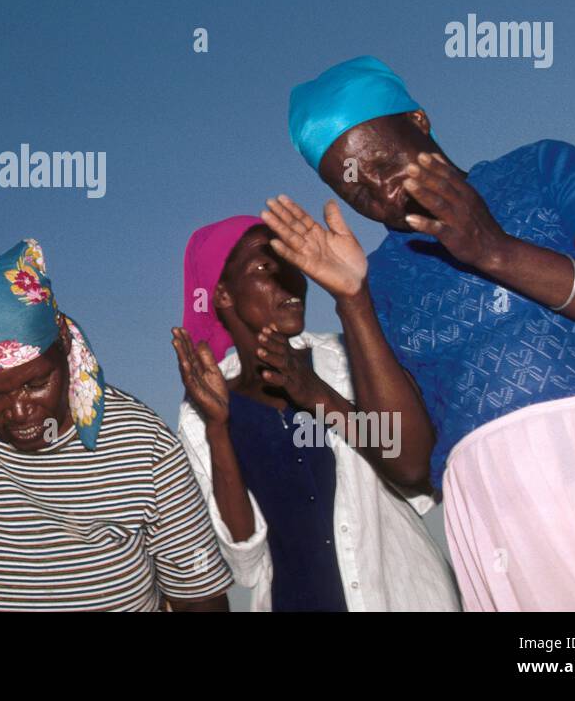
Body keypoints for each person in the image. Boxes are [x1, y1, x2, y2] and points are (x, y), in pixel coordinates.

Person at [266, 54, 575, 610]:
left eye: (382, 161)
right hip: (500, 519)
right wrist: (352, 301)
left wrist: (496, 251)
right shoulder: (379, 281)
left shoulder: (544, 168)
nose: (380, 192)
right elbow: (407, 462)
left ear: (419, 121)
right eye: (356, 190)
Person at [0, 238, 233, 611]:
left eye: (36, 384)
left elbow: (199, 599)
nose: (19, 411)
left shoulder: (144, 445)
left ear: (65, 343)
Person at [173, 215, 459, 611]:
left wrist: (318, 395)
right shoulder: (201, 409)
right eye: (265, 266)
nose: (290, 278)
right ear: (222, 294)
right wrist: (219, 430)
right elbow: (245, 562)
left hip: (403, 596)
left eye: (292, 263)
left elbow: (415, 467)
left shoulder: (349, 359)